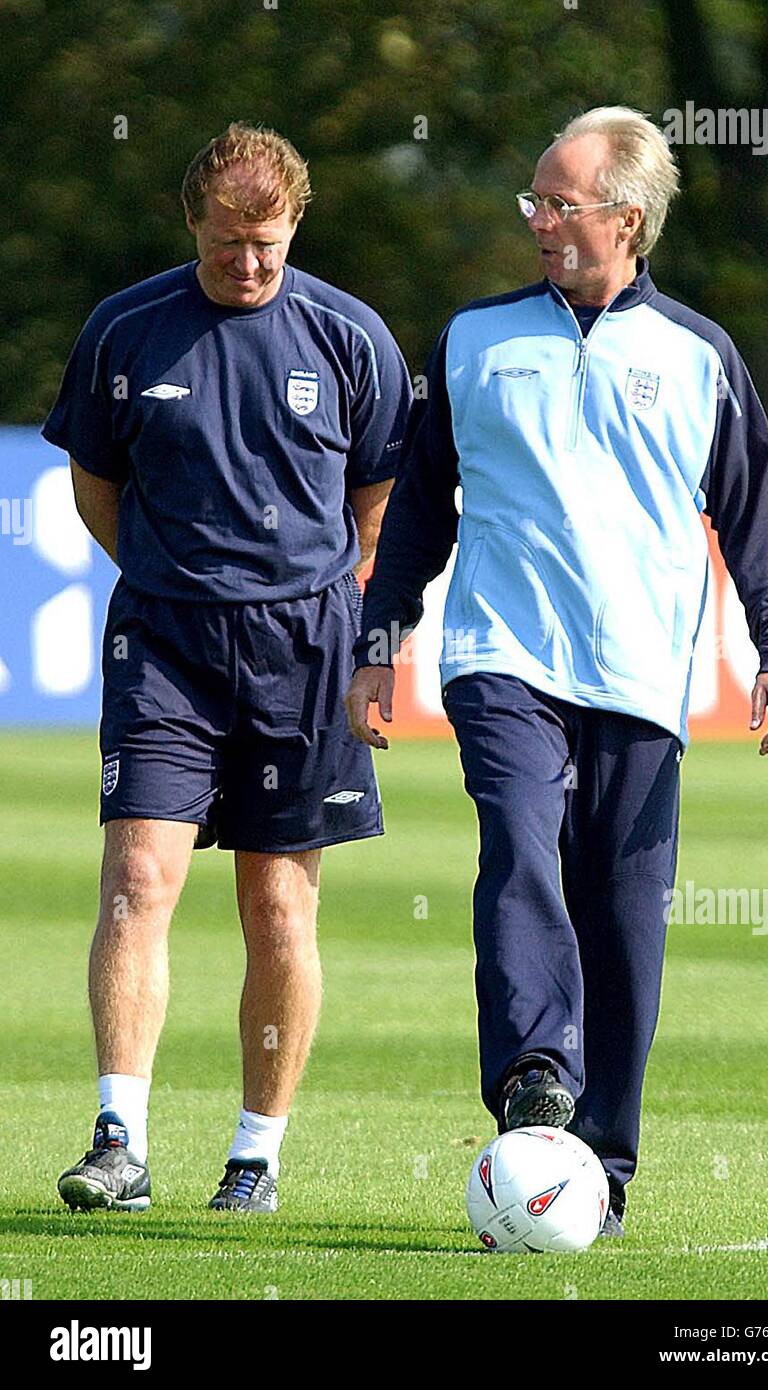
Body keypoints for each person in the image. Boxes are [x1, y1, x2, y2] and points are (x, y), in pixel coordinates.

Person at [345, 106, 768, 1236]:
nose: (539, 220)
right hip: (500, 656)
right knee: (516, 837)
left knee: (624, 916)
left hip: (643, 678)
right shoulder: (471, 339)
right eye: (535, 200)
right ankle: (532, 1076)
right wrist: (379, 639)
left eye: (559, 202)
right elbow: (417, 514)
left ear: (629, 218)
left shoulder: (699, 354)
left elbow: (754, 515)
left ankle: (599, 1159)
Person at [42, 122, 411, 1214]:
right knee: (137, 880)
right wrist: (175, 575)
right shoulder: (126, 329)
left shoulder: (349, 335)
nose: (248, 264)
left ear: (296, 222)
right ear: (191, 222)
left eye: (268, 242)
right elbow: (94, 486)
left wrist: (347, 626)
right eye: (226, 244)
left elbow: (380, 503)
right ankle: (120, 1140)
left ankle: (254, 1156)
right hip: (163, 642)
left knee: (278, 908)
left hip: (304, 650)